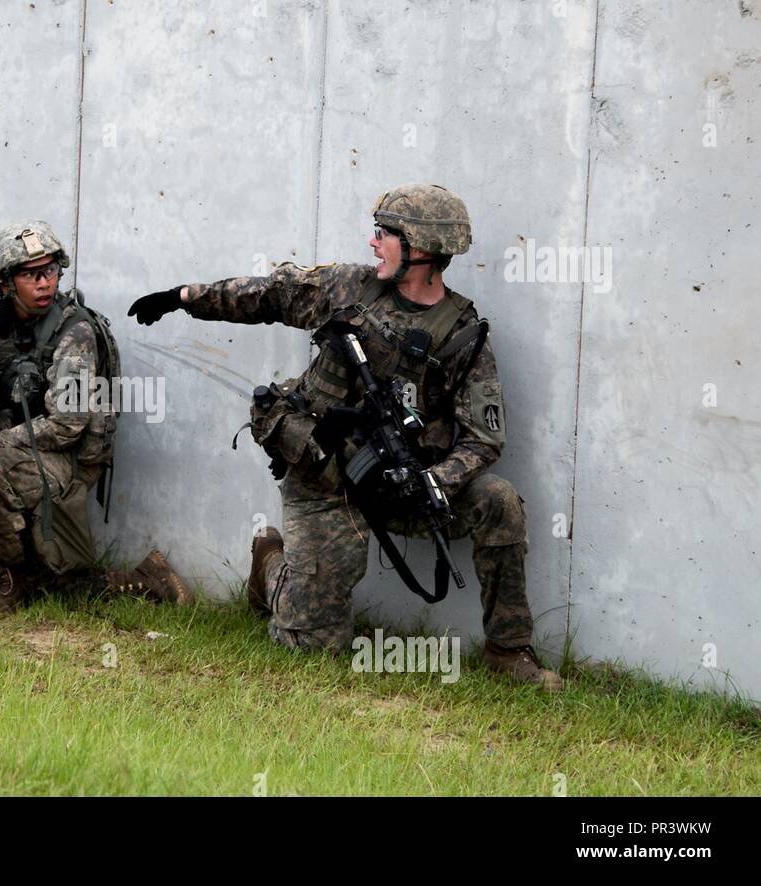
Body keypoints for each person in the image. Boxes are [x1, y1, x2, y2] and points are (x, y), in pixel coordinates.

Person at [128, 184, 562, 690]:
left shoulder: (463, 336)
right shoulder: (347, 288)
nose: (373, 242)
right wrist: (184, 297)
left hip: (401, 486)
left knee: (500, 500)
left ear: (419, 248)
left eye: (386, 234)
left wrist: (435, 481)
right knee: (311, 645)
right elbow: (270, 294)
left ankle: (508, 651)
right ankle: (270, 568)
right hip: (324, 474)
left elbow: (483, 441)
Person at [0, 220, 192, 617]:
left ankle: (6, 579)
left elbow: (68, 423)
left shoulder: (73, 330)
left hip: (71, 456)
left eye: (51, 271)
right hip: (27, 446)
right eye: (31, 274)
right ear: (6, 282)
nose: (45, 283)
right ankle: (142, 578)